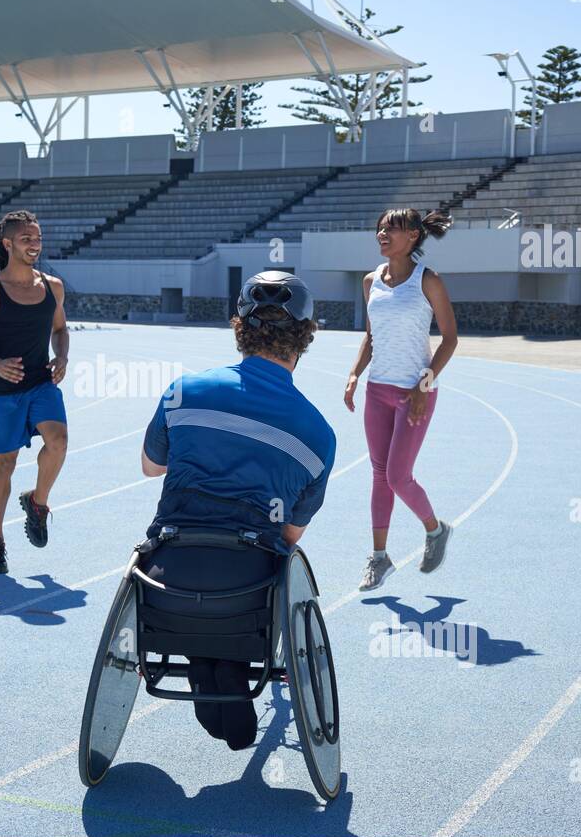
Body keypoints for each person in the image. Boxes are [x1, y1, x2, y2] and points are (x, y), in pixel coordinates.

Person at [139, 271, 336, 750]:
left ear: (238, 327)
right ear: (306, 336)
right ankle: (221, 662)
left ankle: (203, 657)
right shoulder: (319, 433)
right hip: (249, 590)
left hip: (169, 569)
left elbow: (150, 467)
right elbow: (290, 537)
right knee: (265, 559)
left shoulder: (184, 390)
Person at [344, 209, 458, 592]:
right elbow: (371, 336)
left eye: (390, 229)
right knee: (378, 475)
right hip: (378, 389)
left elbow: (450, 339)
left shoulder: (429, 282)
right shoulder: (369, 281)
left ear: (412, 236)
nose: (381, 233)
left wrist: (425, 384)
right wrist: (354, 373)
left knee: (397, 476)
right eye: (379, 227)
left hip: (415, 393)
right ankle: (379, 559)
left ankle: (435, 529)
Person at [0, 210, 70, 575]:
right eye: (26, 238)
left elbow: (60, 329)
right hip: (0, 390)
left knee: (58, 442)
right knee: (4, 465)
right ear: (7, 243)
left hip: (41, 381)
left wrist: (63, 356)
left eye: (37, 238)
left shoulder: (53, 286)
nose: (34, 244)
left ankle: (38, 503)